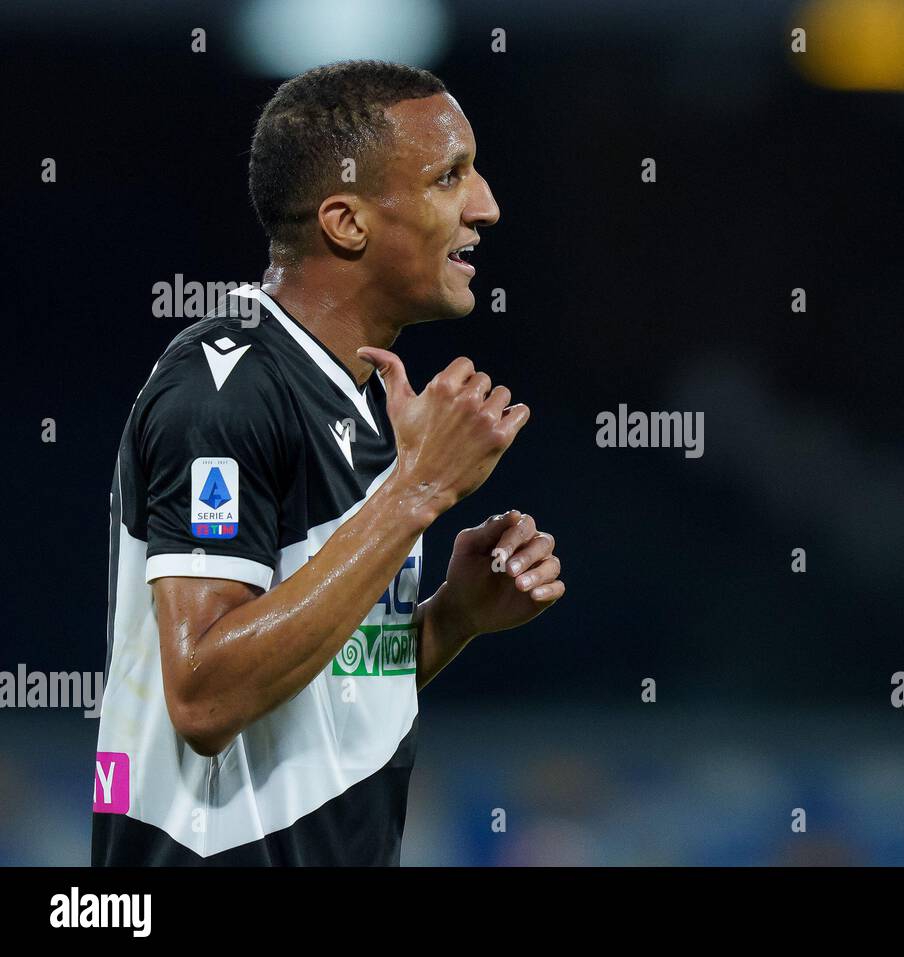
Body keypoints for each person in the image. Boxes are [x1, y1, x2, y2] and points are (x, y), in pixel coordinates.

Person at [92, 60, 564, 865]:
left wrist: (452, 617)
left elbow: (317, 696)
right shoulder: (225, 389)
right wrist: (416, 493)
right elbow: (205, 696)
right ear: (346, 223)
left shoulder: (366, 402)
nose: (485, 206)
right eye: (450, 176)